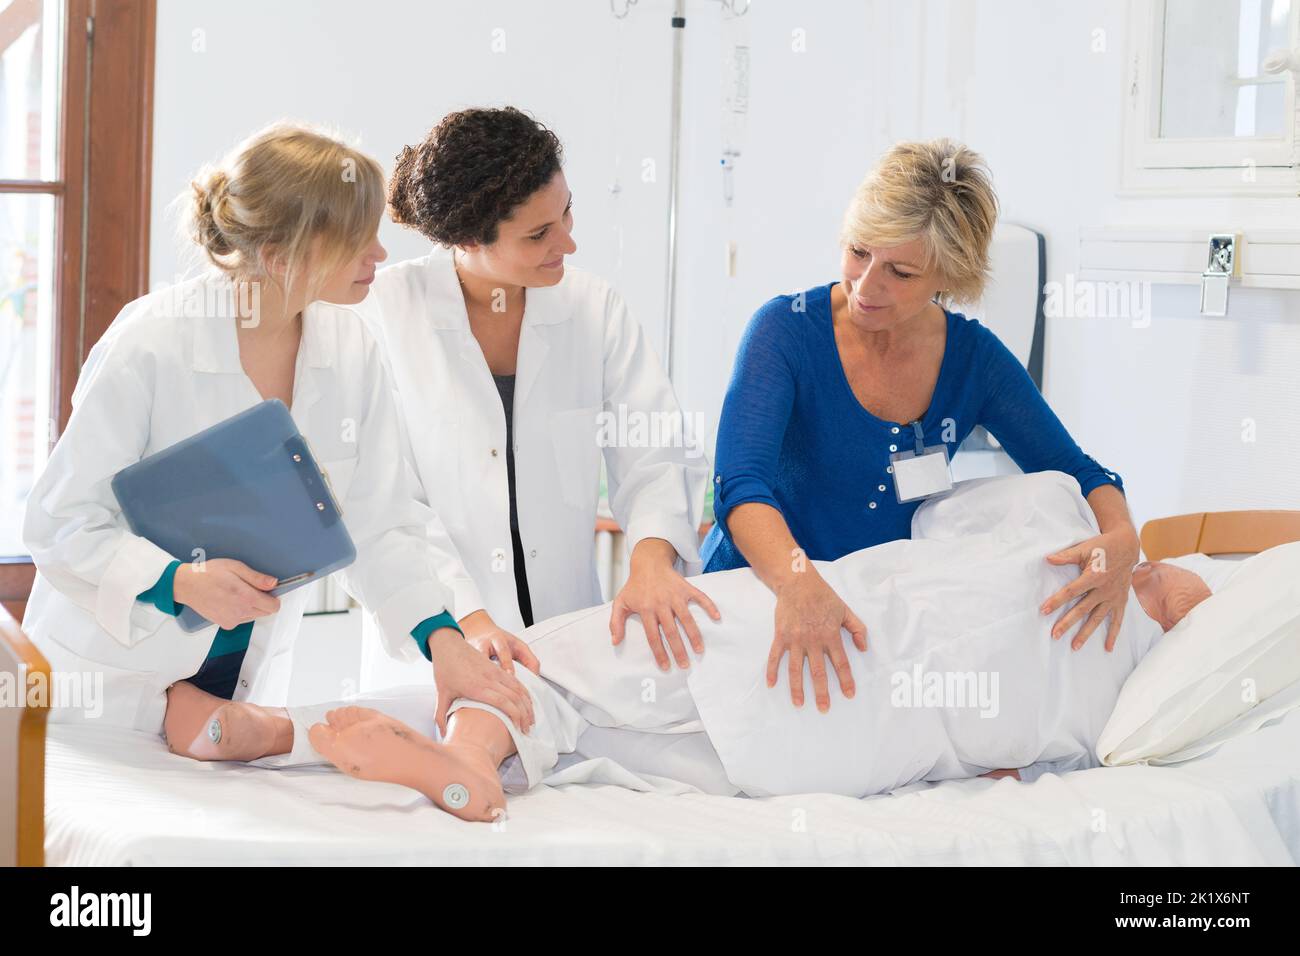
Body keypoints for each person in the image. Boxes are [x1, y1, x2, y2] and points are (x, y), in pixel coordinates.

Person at [162, 472, 1213, 821]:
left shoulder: (1059, 542)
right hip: (844, 754)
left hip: (825, 635)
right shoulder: (1114, 718)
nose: (1169, 588)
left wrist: (1110, 533)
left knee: (549, 664)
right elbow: (1011, 760)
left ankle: (394, 748)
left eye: (1177, 588)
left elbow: (948, 523)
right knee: (605, 751)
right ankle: (300, 735)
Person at [22, 123, 535, 743]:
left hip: (236, 683)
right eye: (357, 240)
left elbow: (376, 525)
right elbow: (61, 520)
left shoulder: (350, 347)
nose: (379, 255)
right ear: (281, 256)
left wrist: (443, 638)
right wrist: (178, 582)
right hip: (109, 685)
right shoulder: (152, 341)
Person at [701, 138, 1137, 711]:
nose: (865, 286)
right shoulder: (786, 332)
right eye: (859, 252)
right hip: (759, 590)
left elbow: (1075, 470)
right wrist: (799, 584)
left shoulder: (974, 360)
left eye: (899, 273)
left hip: (873, 618)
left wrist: (1123, 541)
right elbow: (740, 484)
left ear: (949, 277)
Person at [349, 106, 716, 678]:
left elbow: (654, 454)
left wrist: (651, 561)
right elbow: (389, 500)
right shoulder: (385, 315)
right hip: (438, 643)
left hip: (570, 636)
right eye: (539, 234)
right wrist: (467, 620)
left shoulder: (594, 310)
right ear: (468, 237)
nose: (567, 243)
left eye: (567, 212)